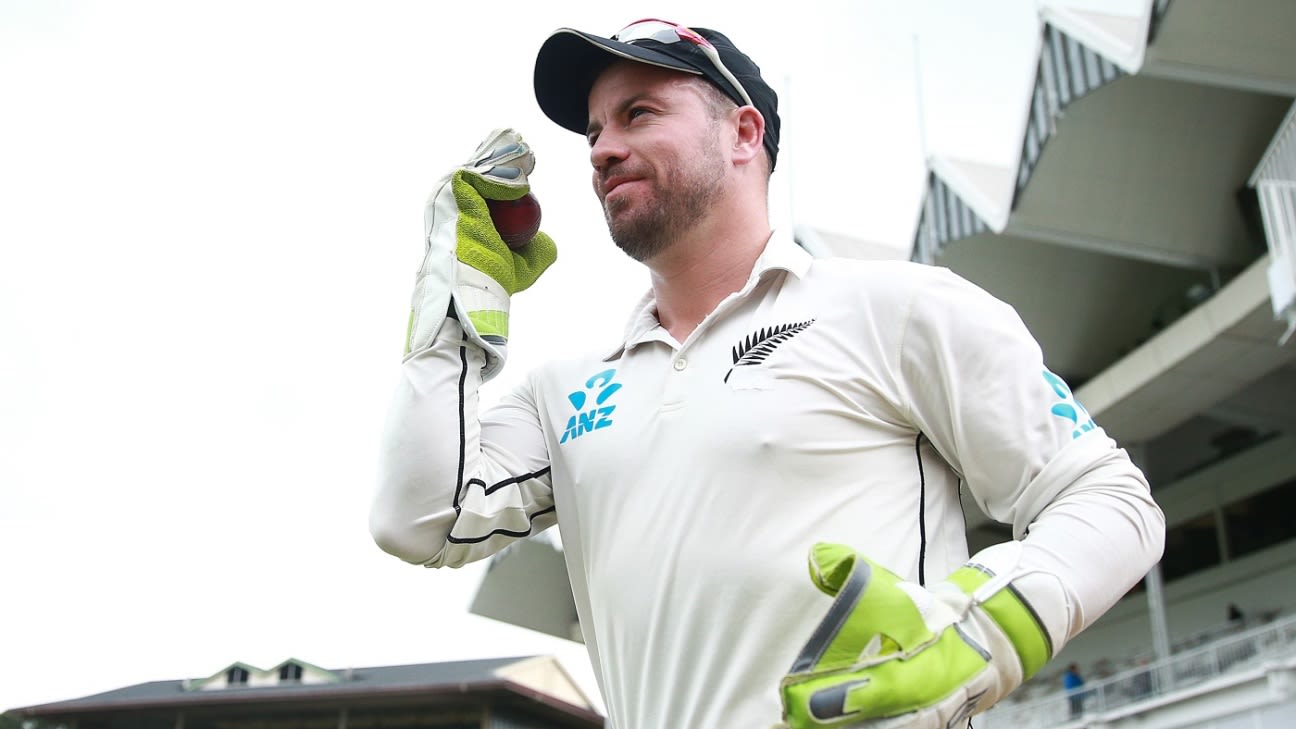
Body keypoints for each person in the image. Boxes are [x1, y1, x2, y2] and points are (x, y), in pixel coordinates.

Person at [369, 18, 1166, 729]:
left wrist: (980, 630)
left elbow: (1110, 498)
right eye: (593, 131)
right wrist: (456, 299)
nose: (603, 149)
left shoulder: (897, 308)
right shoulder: (564, 391)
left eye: (638, 113)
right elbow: (419, 516)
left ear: (744, 132)